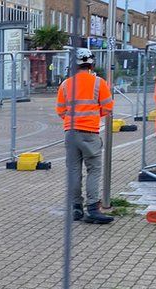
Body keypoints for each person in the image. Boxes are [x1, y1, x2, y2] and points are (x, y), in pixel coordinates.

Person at [56, 48, 114, 224]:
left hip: (70, 133)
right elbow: (108, 108)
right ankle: (93, 209)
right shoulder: (99, 83)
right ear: (91, 63)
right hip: (89, 133)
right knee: (94, 170)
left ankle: (75, 208)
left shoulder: (65, 84)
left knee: (74, 171)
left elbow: (60, 110)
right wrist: (93, 116)